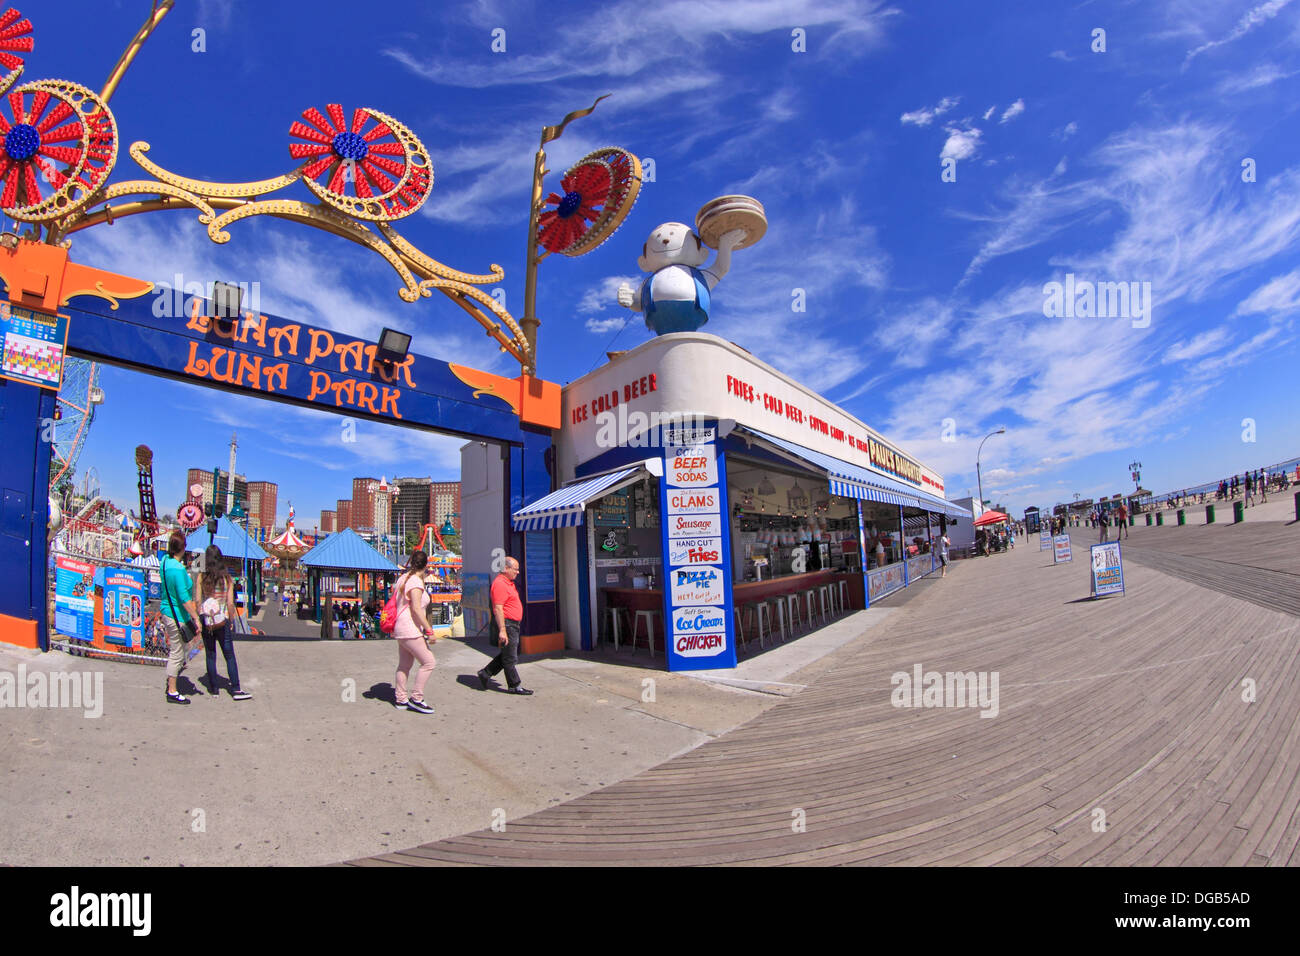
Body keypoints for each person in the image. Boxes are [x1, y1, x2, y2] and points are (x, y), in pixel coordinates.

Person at [197, 545, 251, 700]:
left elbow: (198, 600)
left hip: (207, 619)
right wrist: (231, 620)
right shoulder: (226, 578)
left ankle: (214, 689)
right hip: (222, 620)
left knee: (210, 653)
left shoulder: (202, 577)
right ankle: (235, 688)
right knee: (229, 655)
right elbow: (230, 603)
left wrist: (200, 618)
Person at [477, 555, 532, 695]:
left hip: (512, 624)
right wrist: (502, 630)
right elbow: (498, 608)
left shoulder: (508, 582)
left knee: (508, 654)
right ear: (506, 568)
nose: (518, 572)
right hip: (507, 624)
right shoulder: (500, 584)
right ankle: (514, 685)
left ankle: (486, 673)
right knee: (510, 657)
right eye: (516, 569)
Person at [391, 550, 439, 714]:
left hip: (400, 629)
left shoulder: (403, 579)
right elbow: (417, 609)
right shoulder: (416, 583)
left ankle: (401, 698)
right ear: (426, 565)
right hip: (411, 629)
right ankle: (417, 698)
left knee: (404, 665)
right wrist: (429, 629)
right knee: (429, 662)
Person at [158, 530, 201, 705]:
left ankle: (172, 682)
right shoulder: (178, 569)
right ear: (183, 548)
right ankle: (172, 690)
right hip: (177, 615)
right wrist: (196, 618)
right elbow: (184, 598)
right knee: (176, 653)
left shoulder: (164, 562)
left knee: (177, 650)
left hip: (167, 610)